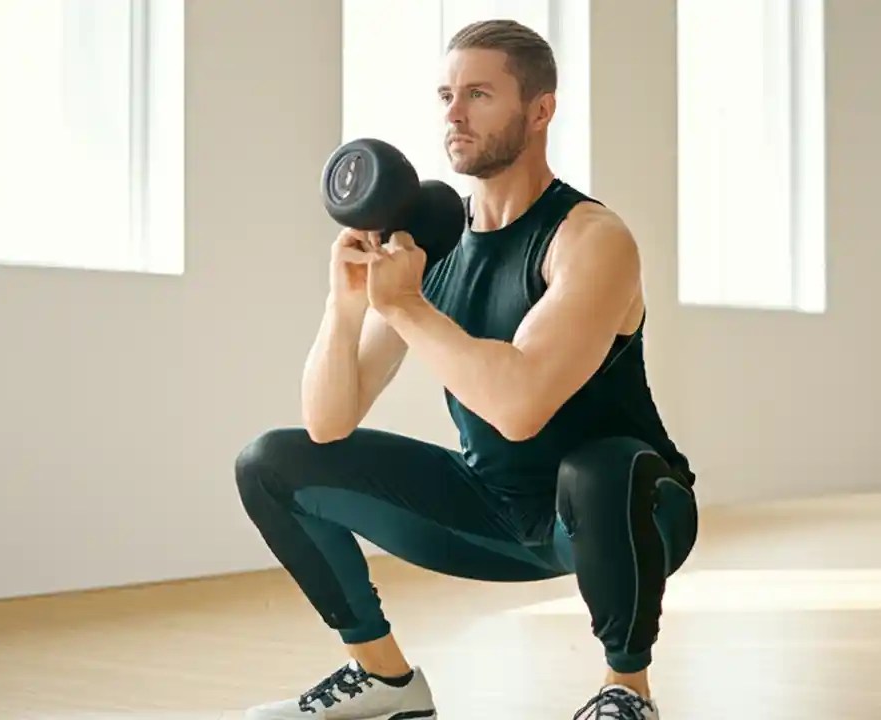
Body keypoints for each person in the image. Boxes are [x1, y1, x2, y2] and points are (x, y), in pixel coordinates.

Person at [235, 18, 698, 720]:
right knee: (271, 462)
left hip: (633, 516)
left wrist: (412, 308)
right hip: (494, 512)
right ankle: (386, 681)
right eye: (446, 94)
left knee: (597, 469)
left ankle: (624, 692)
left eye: (478, 94)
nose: (453, 112)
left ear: (539, 110)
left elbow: (519, 409)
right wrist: (346, 304)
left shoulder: (589, 239)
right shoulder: (434, 241)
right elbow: (328, 422)